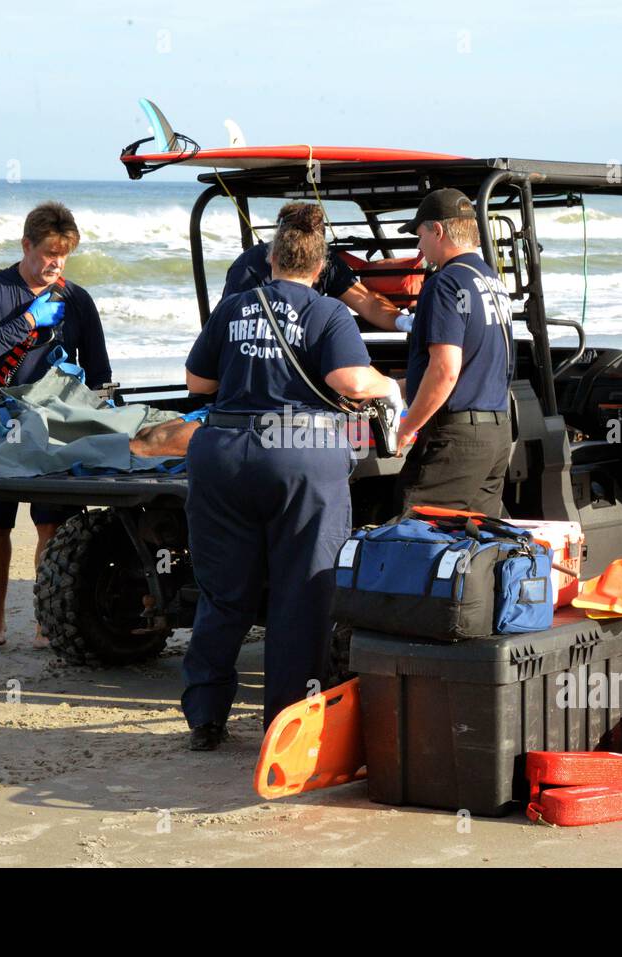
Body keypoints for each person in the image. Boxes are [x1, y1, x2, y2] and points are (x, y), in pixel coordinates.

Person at [182, 203, 398, 750]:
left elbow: (197, 382)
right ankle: (286, 723)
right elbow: (348, 378)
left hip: (223, 451)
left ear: (271, 257)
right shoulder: (328, 312)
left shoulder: (233, 307)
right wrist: (389, 387)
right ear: (320, 266)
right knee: (301, 594)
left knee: (223, 592)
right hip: (300, 451)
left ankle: (205, 717)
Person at [0, 202, 111, 649]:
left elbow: (100, 371)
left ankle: (45, 619)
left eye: (63, 256)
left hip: (57, 426)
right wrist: (28, 320)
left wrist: (106, 423)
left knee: (52, 526)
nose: (56, 264)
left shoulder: (77, 299)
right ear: (27, 245)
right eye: (48, 253)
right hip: (0, 420)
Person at [394, 188, 516, 517]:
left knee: (412, 532)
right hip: (497, 433)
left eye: (420, 235)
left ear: (438, 230)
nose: (419, 247)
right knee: (476, 541)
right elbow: (475, 364)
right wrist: (399, 387)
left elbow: (446, 369)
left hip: (457, 438)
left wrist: (408, 427)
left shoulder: (445, 283)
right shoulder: (492, 282)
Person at [221, 203, 410, 332]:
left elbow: (367, 303)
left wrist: (403, 321)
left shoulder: (327, 261)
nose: (303, 246)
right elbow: (231, 327)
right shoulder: (248, 268)